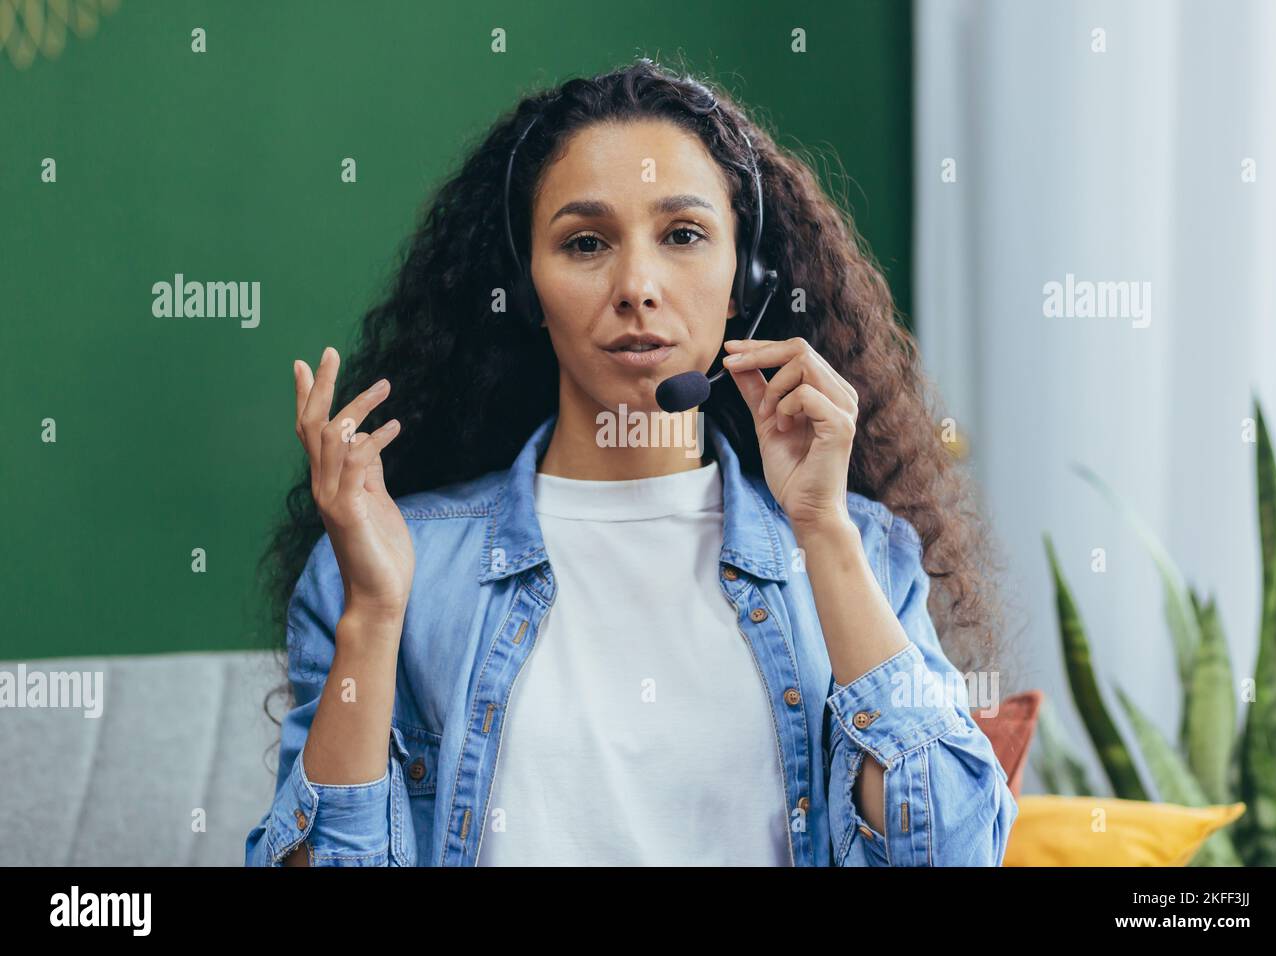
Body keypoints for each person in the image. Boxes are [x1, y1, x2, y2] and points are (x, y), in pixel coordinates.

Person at [245, 58, 1016, 867]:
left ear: (745, 282)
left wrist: (821, 529)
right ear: (527, 289)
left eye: (683, 235)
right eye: (586, 243)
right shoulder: (390, 565)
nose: (637, 286)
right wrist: (373, 613)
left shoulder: (864, 551)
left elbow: (952, 854)